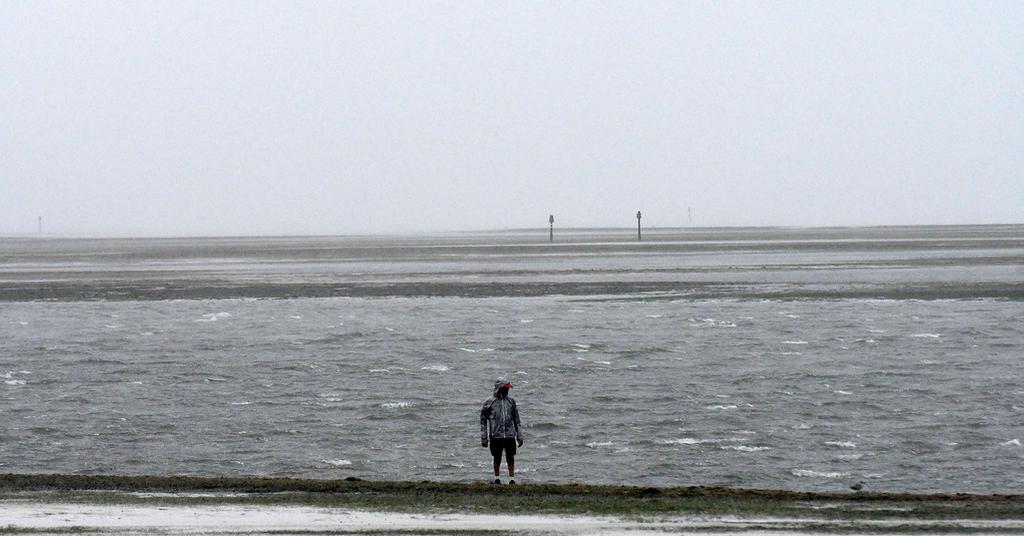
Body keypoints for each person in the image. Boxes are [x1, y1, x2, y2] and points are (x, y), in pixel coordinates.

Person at [480, 378, 524, 484]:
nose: (508, 390)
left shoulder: (511, 402)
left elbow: (517, 420)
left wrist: (519, 435)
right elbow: (483, 421)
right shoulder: (489, 402)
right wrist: (484, 437)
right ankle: (497, 478)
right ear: (499, 389)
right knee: (497, 457)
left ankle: (512, 479)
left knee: (511, 457)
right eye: (506, 388)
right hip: (495, 435)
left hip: (509, 434)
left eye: (508, 388)